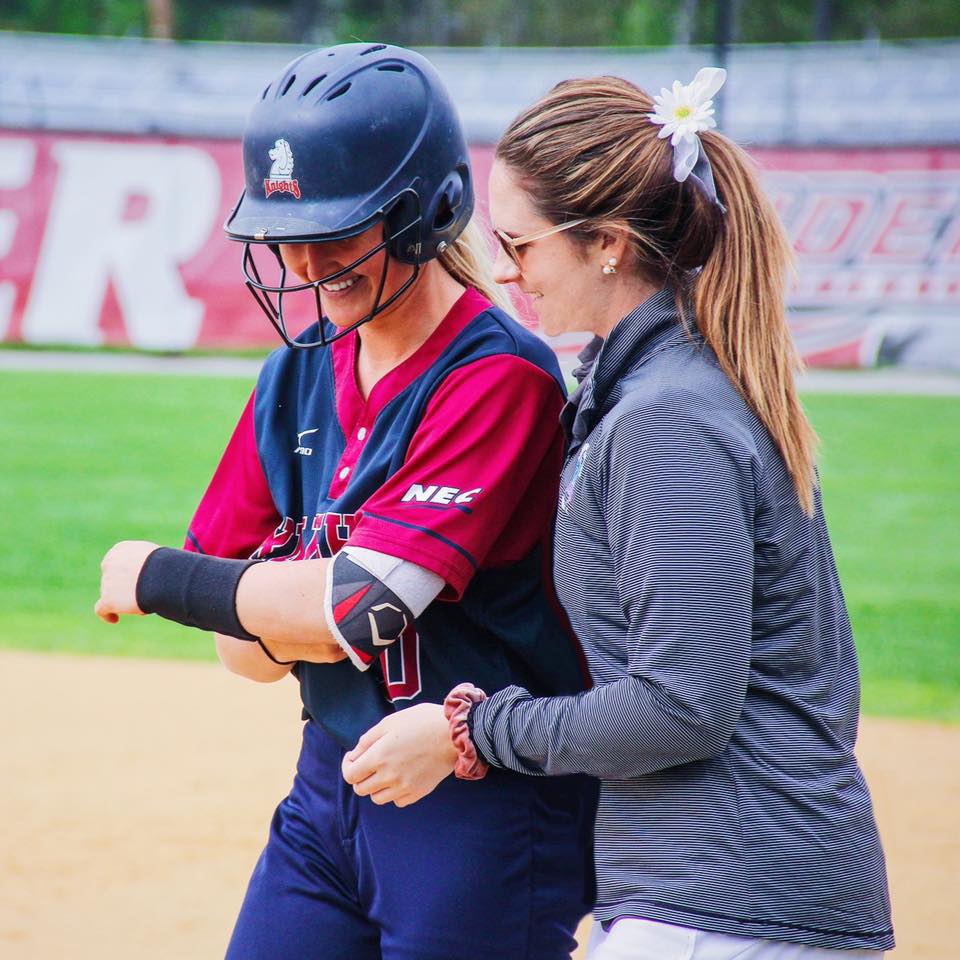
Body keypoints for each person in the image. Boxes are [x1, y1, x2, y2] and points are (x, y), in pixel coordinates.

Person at [340, 70, 896, 960]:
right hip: (719, 895)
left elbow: (681, 709)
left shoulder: (666, 417)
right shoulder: (657, 384)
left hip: (730, 902)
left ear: (604, 242)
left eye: (521, 245)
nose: (506, 273)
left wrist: (468, 732)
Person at [94, 43, 596, 960]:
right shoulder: (294, 375)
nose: (305, 260)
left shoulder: (498, 379)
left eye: (339, 230)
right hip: (326, 792)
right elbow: (242, 656)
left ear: (427, 213)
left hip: (477, 804)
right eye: (288, 235)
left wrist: (157, 576)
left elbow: (361, 610)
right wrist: (299, 608)